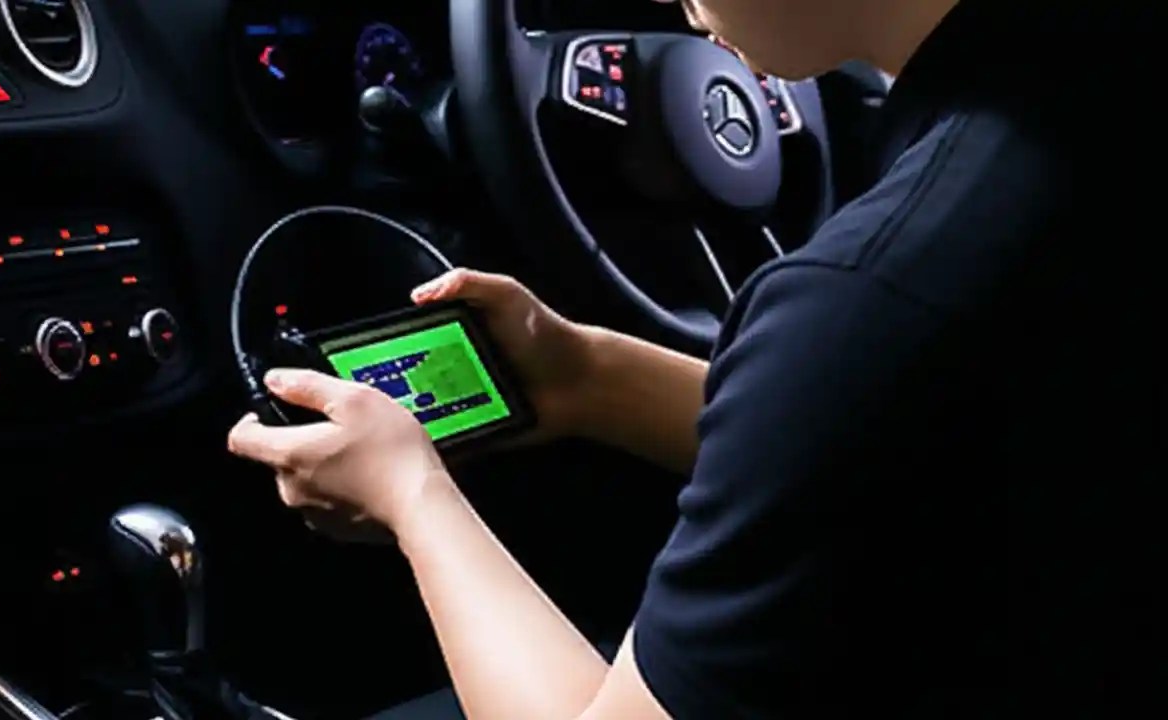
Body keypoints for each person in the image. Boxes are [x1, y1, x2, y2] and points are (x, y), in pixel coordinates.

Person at [228, 0, 1161, 717]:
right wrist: (587, 377)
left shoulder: (867, 299)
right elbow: (904, 440)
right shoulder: (1084, 92)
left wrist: (412, 497)